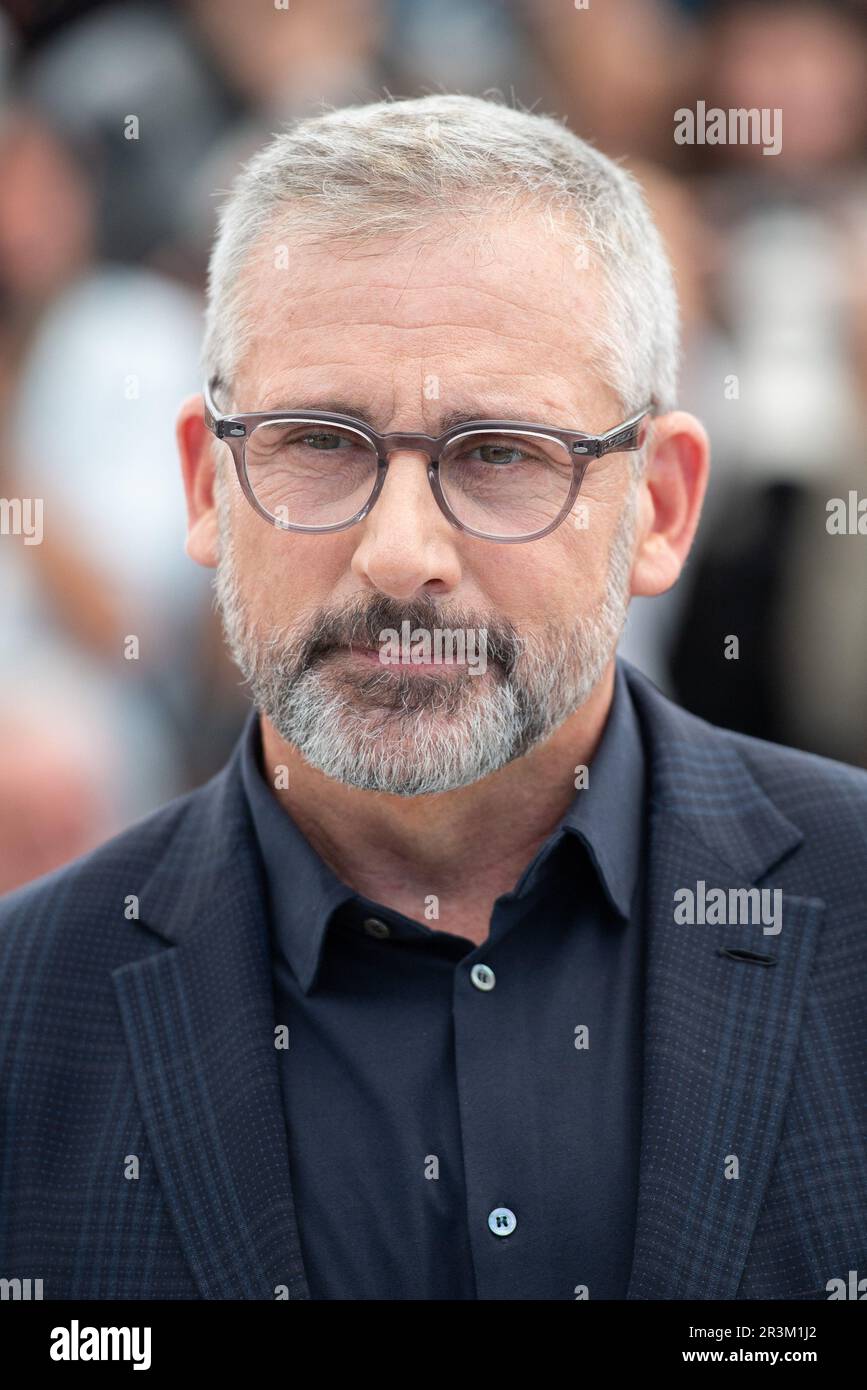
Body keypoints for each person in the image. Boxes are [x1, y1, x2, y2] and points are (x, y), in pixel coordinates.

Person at [0, 94, 864, 1302]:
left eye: (500, 451)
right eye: (322, 440)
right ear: (206, 485)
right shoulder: (24, 1013)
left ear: (660, 508)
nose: (401, 553)